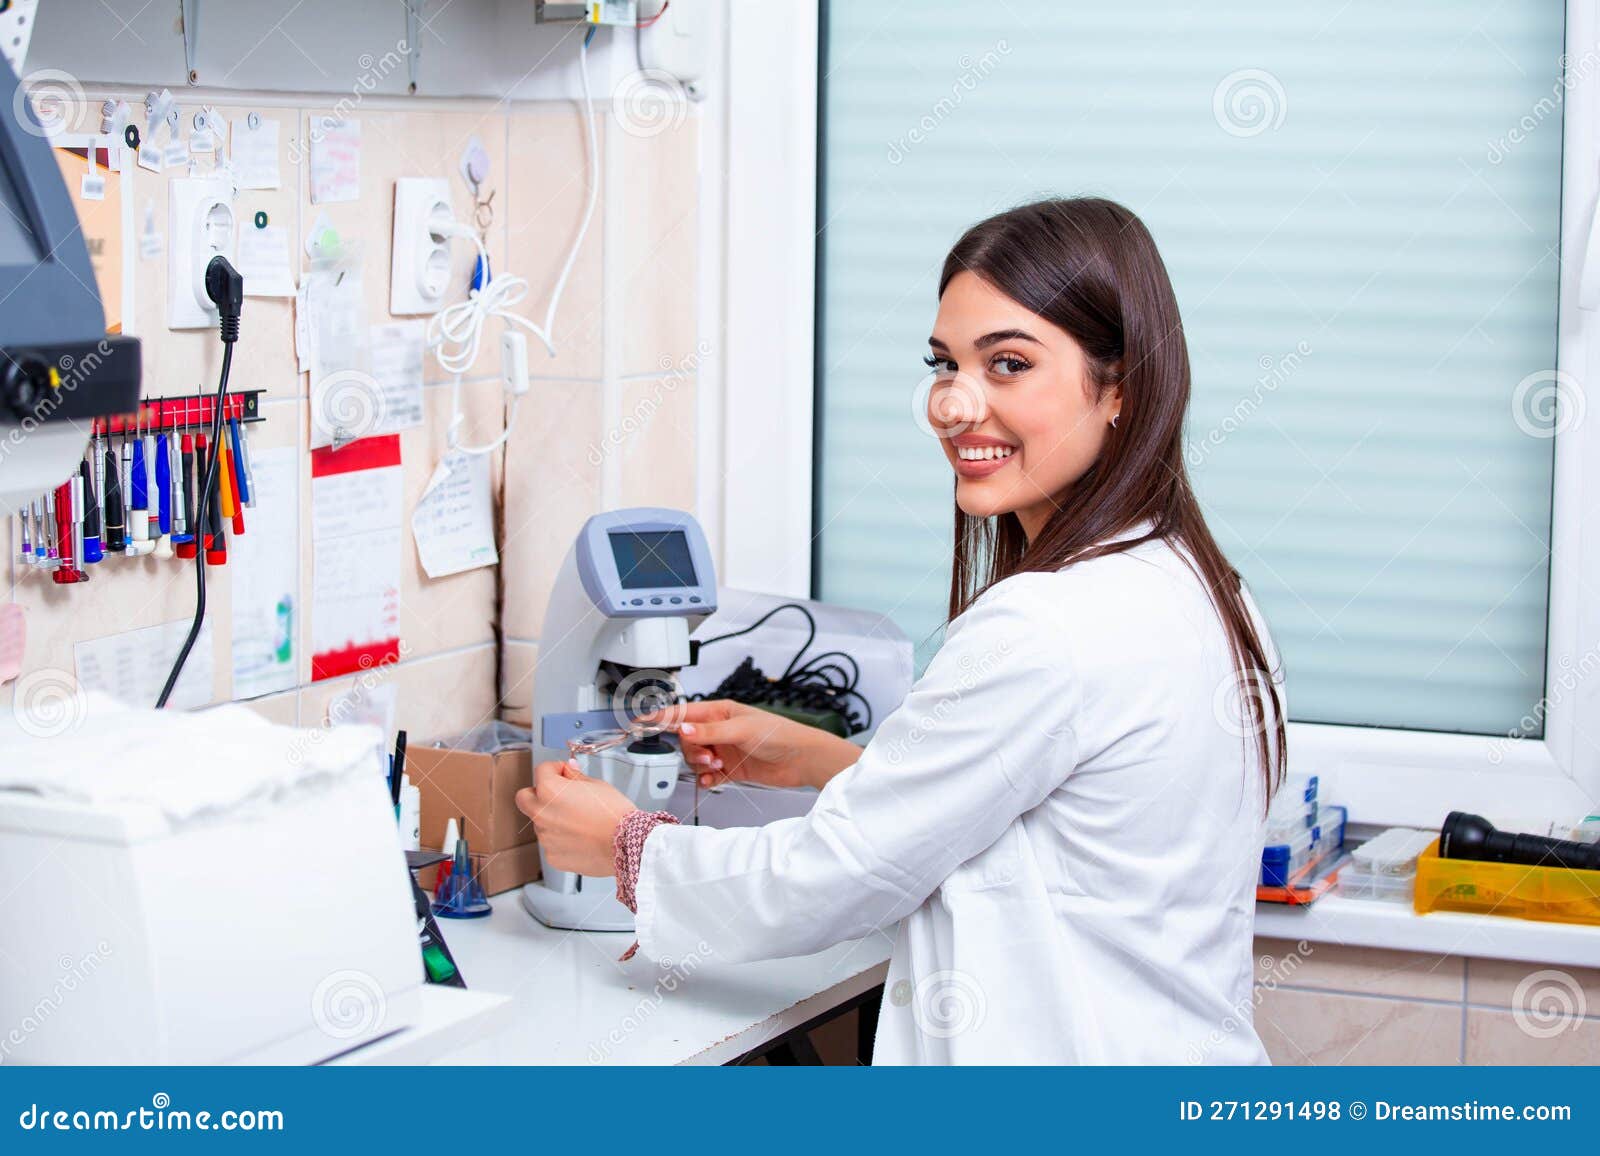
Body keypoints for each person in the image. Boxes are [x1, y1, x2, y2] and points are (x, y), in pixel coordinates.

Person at [517, 197, 1287, 1064]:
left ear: (1121, 388)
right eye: (946, 363)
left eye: (1008, 364)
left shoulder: (1047, 625)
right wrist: (830, 763)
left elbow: (834, 878)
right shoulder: (1200, 586)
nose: (955, 405)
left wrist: (627, 848)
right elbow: (1057, 836)